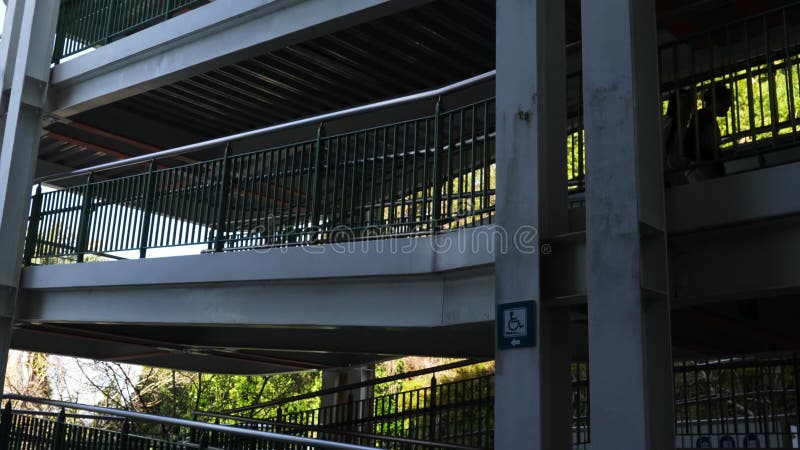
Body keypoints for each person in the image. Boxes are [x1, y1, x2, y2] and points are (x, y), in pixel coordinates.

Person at [684, 84, 732, 181]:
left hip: (703, 172)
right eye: (726, 102)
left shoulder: (706, 118)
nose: (728, 106)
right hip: (701, 173)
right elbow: (691, 146)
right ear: (717, 101)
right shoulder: (703, 118)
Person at [662, 88, 694, 186]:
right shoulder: (671, 127)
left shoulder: (664, 124)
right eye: (687, 107)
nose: (690, 112)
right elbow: (674, 161)